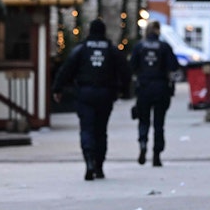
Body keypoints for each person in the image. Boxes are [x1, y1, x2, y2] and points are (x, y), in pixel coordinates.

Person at [52, 18, 131, 181]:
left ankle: (88, 160)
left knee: (86, 129)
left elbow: (67, 69)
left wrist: (57, 88)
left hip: (85, 93)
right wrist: (124, 91)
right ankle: (99, 166)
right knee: (101, 131)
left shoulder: (81, 49)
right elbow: (125, 71)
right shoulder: (111, 50)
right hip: (105, 93)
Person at [129, 21, 179, 167]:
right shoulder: (164, 46)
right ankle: (157, 154)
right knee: (159, 123)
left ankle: (143, 142)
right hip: (161, 87)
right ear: (157, 31)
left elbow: (132, 66)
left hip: (144, 87)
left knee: (143, 120)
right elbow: (173, 66)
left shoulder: (139, 46)